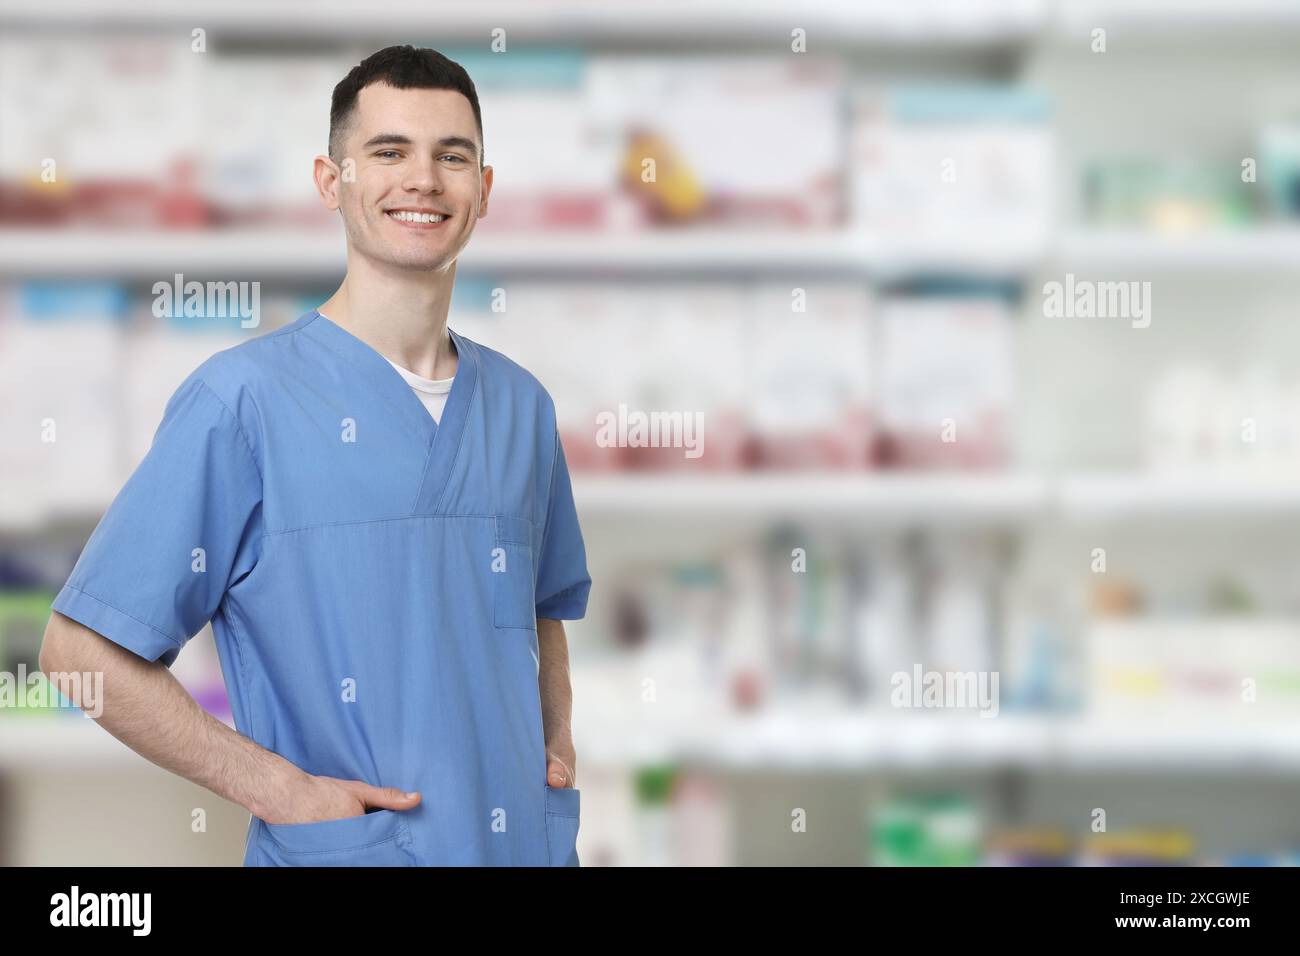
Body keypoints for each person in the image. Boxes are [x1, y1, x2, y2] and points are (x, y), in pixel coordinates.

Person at [39, 45, 592, 866]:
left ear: (483, 191)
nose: (424, 180)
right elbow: (80, 654)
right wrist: (280, 791)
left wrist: (556, 741)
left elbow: (542, 604)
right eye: (389, 152)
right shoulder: (243, 403)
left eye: (453, 156)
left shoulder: (521, 406)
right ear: (332, 183)